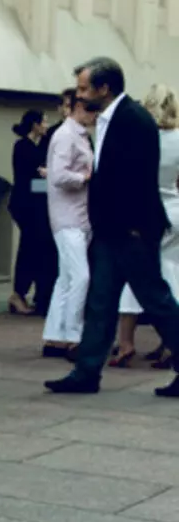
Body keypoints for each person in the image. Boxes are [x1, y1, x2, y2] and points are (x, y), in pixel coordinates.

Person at [47, 58, 179, 396]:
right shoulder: (108, 119)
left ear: (104, 89)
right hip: (111, 230)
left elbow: (137, 179)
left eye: (83, 88)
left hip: (131, 231)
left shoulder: (133, 120)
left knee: (156, 301)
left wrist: (134, 227)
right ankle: (87, 372)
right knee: (101, 301)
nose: (78, 95)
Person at [106, 83, 179, 371]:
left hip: (144, 211)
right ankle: (169, 342)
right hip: (174, 209)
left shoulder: (141, 136)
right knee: (170, 272)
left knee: (135, 273)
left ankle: (126, 340)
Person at [41, 89, 94, 358]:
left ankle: (55, 335)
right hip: (68, 216)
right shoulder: (66, 136)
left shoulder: (78, 135)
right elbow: (60, 176)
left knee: (66, 277)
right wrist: (85, 178)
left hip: (75, 215)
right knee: (80, 276)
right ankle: (73, 336)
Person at [8, 111, 55, 316]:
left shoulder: (34, 146)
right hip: (26, 205)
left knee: (33, 248)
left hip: (34, 205)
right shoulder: (23, 146)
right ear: (34, 125)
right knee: (28, 247)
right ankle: (18, 293)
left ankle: (25, 292)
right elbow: (29, 178)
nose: (46, 125)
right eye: (44, 122)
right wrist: (47, 175)